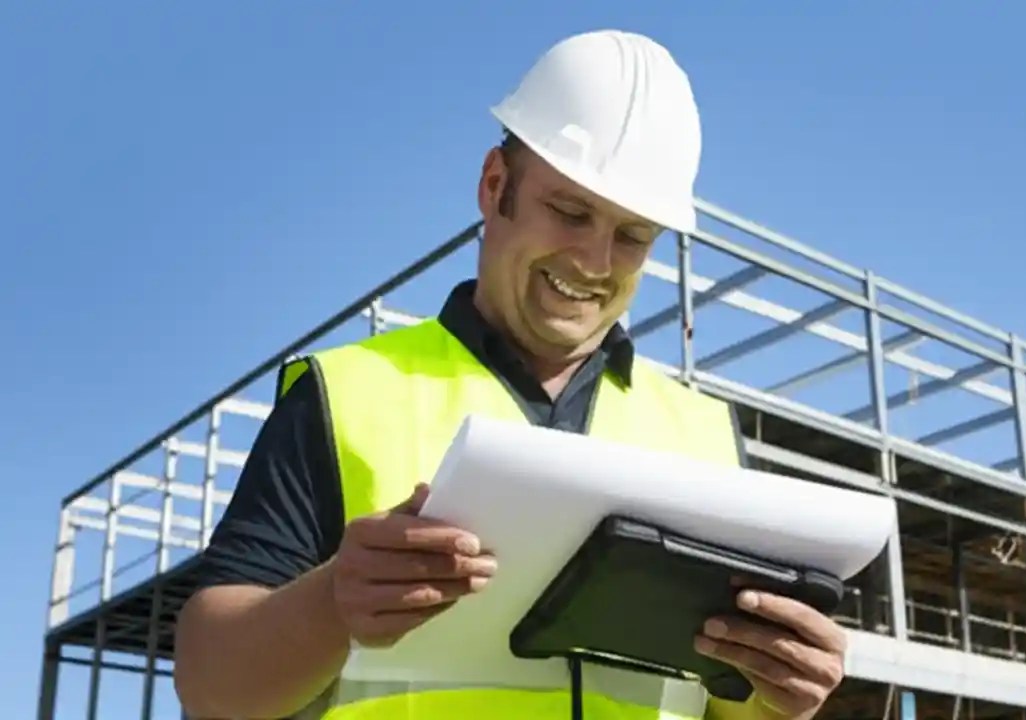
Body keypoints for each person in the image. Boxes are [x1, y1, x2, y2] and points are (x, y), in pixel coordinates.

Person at [173, 29, 848, 720]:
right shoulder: (346, 395)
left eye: (633, 236)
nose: (593, 260)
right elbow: (210, 687)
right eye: (570, 212)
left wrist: (778, 697)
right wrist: (332, 601)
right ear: (496, 186)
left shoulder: (704, 434)